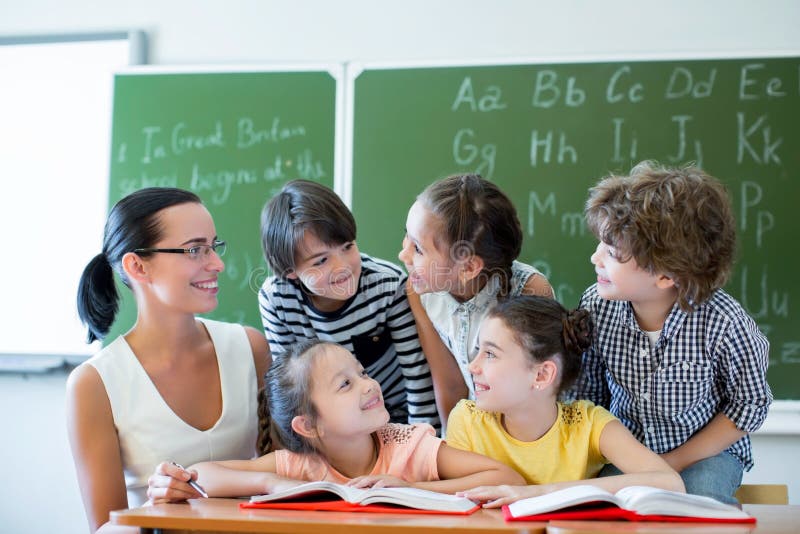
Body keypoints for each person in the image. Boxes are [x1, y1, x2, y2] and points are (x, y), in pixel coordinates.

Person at [67, 187, 270, 533]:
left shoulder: (250, 348)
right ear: (137, 266)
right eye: (195, 250)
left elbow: (289, 480)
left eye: (213, 246)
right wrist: (154, 509)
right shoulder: (94, 384)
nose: (217, 264)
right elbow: (104, 528)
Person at [570, 161, 772, 505]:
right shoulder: (596, 307)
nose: (595, 258)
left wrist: (668, 466)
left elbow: (748, 405)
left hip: (703, 455)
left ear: (666, 275)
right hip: (627, 450)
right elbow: (589, 397)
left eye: (612, 252)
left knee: (696, 501)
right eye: (600, 245)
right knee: (597, 505)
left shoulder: (724, 323)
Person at [189, 340, 525, 495]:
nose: (368, 385)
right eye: (345, 384)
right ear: (308, 425)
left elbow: (507, 478)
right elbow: (199, 475)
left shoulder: (409, 447)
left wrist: (411, 489)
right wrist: (270, 482)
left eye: (362, 373)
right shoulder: (300, 466)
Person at [447, 295, 684, 507]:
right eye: (478, 350)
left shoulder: (588, 424)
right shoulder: (467, 421)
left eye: (490, 354)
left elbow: (670, 483)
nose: (472, 366)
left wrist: (539, 493)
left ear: (542, 375)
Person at [258, 180, 439, 431]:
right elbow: (291, 390)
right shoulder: (276, 299)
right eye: (321, 260)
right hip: (331, 426)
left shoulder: (387, 285)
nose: (342, 266)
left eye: (347, 247)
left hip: (393, 415)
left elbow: (418, 376)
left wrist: (423, 444)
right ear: (290, 271)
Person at [398, 174, 554, 423]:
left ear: (468, 268)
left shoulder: (530, 290)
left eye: (418, 248)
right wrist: (455, 448)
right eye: (407, 236)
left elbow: (537, 396)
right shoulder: (419, 293)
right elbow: (450, 386)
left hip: (524, 430)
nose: (402, 254)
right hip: (470, 430)